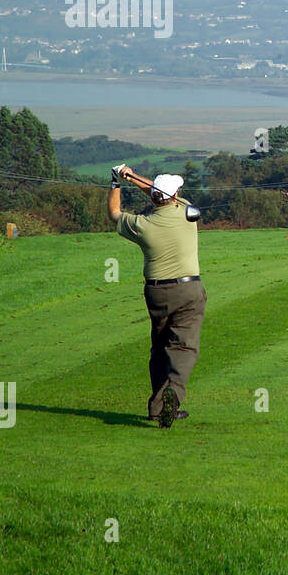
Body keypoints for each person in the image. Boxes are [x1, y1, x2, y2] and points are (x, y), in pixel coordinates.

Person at [109, 166, 206, 428]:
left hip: (156, 292)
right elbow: (156, 191)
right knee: (183, 346)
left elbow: (115, 214)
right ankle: (173, 392)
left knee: (160, 348)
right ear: (174, 196)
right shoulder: (185, 210)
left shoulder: (143, 225)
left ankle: (158, 407)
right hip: (188, 290)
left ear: (154, 198)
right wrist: (133, 177)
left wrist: (118, 182)